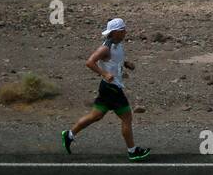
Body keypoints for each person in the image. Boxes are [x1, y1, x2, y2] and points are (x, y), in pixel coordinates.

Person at [61, 18, 150, 161]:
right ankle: (133, 151)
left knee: (96, 116)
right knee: (127, 117)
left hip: (107, 88)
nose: (125, 33)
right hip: (112, 88)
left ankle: (69, 135)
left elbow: (113, 61)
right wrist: (104, 73)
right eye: (123, 31)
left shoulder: (118, 44)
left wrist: (125, 63)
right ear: (115, 32)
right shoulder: (105, 48)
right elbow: (89, 62)